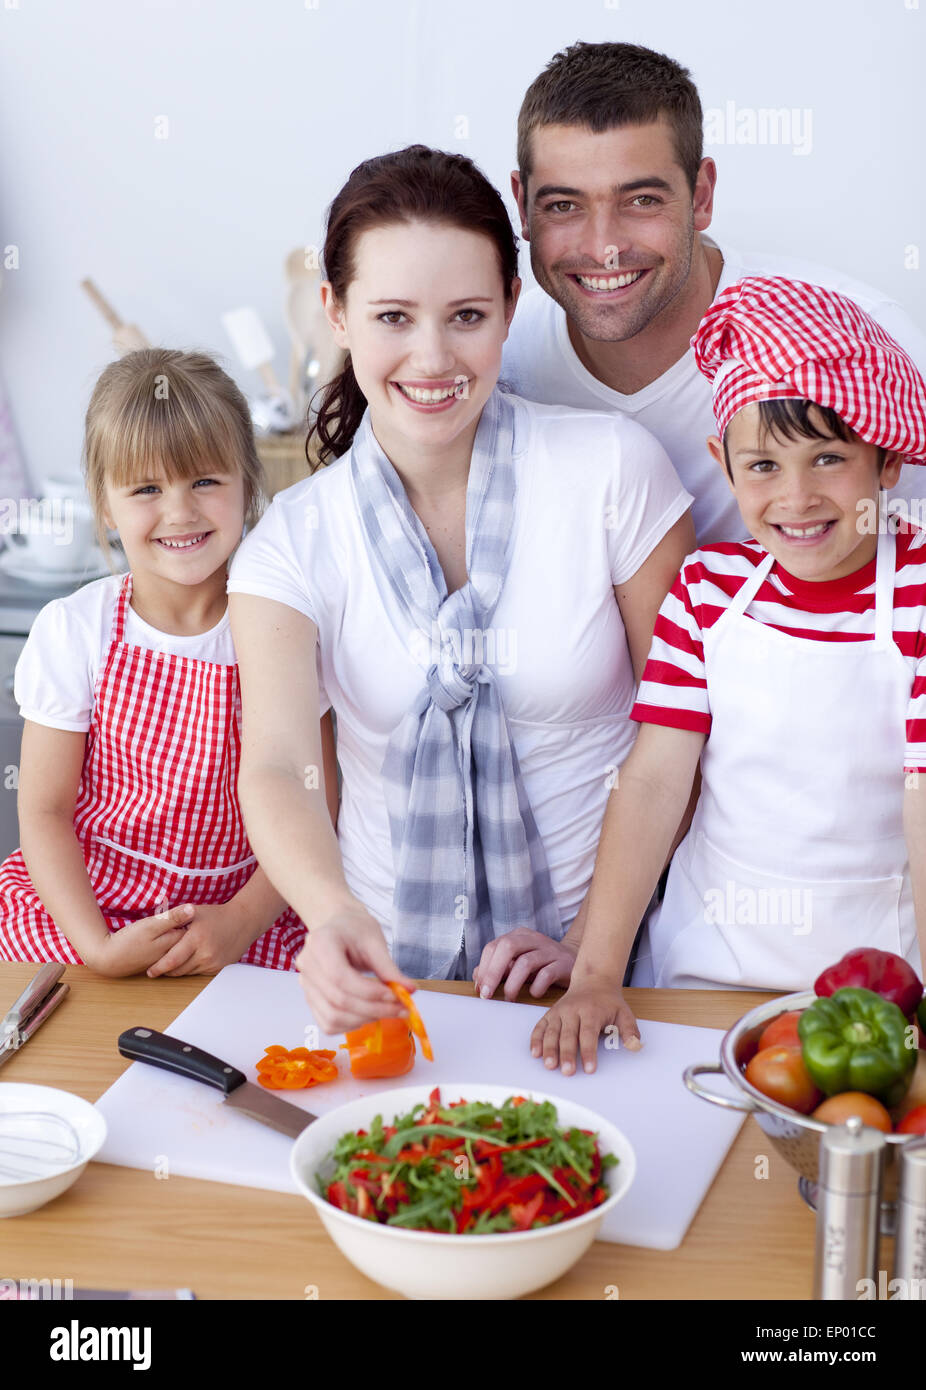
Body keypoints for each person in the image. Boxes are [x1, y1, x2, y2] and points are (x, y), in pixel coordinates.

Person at [226, 145, 695, 1035]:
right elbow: (282, 766)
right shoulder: (290, 541)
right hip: (390, 973)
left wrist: (592, 947)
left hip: (608, 965)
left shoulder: (613, 470)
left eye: (467, 315)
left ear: (512, 309)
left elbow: (680, 737)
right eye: (394, 316)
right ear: (335, 312)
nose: (432, 357)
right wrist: (333, 917)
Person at [525, 276, 926, 1075]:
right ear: (724, 463)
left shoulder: (916, 596)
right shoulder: (708, 591)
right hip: (704, 973)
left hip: (880, 994)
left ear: (885, 465)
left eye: (829, 459)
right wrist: (598, 969)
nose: (798, 496)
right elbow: (652, 785)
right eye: (764, 465)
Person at [501, 40, 926, 547]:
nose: (604, 248)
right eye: (565, 205)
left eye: (641, 200)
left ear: (701, 197)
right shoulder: (496, 360)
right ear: (523, 207)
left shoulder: (856, 343)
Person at [0, 349, 310, 975]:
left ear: (248, 482)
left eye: (204, 480)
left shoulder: (286, 626)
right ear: (105, 506)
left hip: (246, 912)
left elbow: (316, 801)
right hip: (89, 909)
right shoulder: (75, 630)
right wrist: (97, 948)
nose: (180, 512)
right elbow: (43, 811)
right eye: (146, 488)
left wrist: (243, 922)